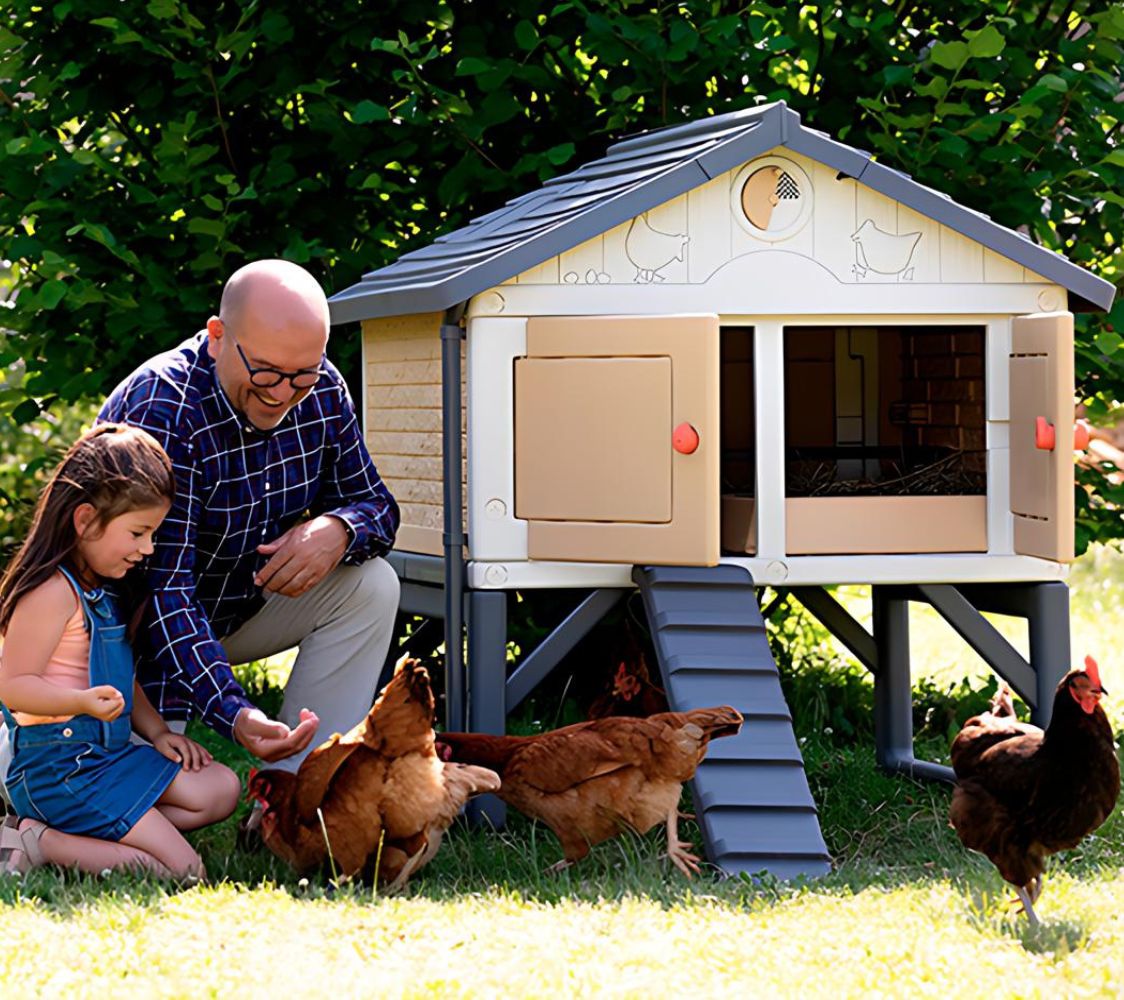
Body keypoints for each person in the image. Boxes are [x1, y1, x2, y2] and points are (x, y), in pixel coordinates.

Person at [96, 260, 399, 793]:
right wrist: (235, 713)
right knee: (149, 805)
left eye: (302, 375)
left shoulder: (323, 391)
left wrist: (339, 528)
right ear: (217, 338)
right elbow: (165, 591)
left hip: (238, 607)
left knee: (372, 584)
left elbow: (377, 505)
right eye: (265, 372)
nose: (283, 393)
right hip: (129, 634)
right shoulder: (164, 407)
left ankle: (299, 797)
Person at [0, 425, 241, 878]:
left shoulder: (102, 588)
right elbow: (13, 688)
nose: (147, 549)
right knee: (184, 871)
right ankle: (40, 840)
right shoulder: (49, 593)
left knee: (220, 788)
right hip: (61, 771)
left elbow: (121, 676)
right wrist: (79, 703)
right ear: (86, 520)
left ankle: (104, 833)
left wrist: (156, 733)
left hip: (105, 760)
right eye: (138, 533)